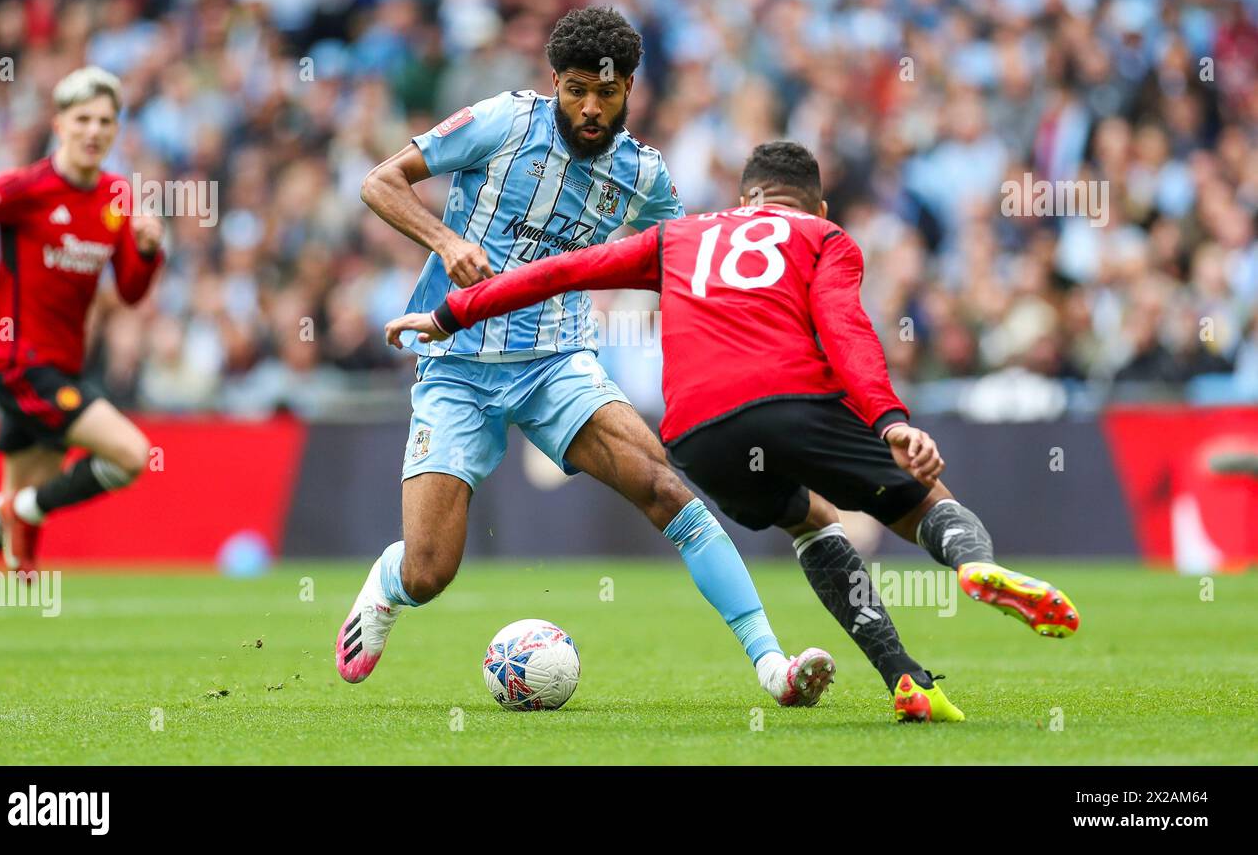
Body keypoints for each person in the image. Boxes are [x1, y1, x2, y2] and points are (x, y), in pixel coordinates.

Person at [386, 140, 1082, 722]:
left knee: (811, 520)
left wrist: (451, 313)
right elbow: (847, 333)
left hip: (697, 433)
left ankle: (906, 677)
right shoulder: (824, 237)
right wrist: (890, 421)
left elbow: (563, 271)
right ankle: (971, 563)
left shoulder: (678, 235)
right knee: (923, 503)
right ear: (817, 206)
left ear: (747, 198)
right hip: (792, 402)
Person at [337, 10, 832, 707]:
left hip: (557, 362)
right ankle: (388, 585)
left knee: (665, 489)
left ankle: (772, 667)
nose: (590, 108)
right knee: (429, 571)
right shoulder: (501, 122)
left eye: (605, 92)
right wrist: (448, 243)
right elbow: (380, 182)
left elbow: (684, 274)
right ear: (555, 84)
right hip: (457, 362)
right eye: (575, 91)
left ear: (631, 86)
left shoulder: (644, 174)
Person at [0, 66, 164, 577]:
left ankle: (3, 526)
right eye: (82, 119)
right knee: (132, 455)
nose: (94, 131)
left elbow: (131, 293)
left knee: (10, 509)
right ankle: (20, 513)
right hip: (21, 362)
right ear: (59, 124)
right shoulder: (27, 188)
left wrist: (147, 252)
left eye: (105, 120)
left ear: (116, 128)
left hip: (64, 367)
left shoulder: (117, 197)